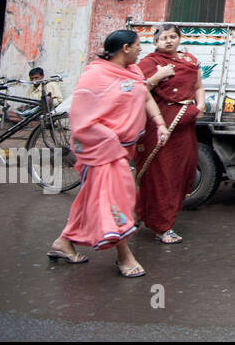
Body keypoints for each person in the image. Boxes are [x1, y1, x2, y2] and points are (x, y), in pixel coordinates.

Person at [47, 30, 169, 277]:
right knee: (117, 200)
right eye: (137, 46)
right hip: (102, 149)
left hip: (125, 148)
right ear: (125, 48)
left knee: (92, 198)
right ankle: (124, 256)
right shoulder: (96, 76)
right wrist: (109, 139)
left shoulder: (134, 72)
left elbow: (143, 95)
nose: (140, 50)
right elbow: (81, 116)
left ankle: (64, 242)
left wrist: (159, 122)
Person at [135, 24, 205, 244]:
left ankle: (145, 215)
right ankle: (161, 226)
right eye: (163, 37)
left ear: (179, 38)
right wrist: (158, 76)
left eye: (173, 36)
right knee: (160, 176)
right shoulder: (149, 63)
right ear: (156, 42)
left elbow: (198, 86)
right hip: (160, 127)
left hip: (185, 127)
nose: (168, 41)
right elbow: (137, 90)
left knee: (181, 173)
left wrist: (200, 107)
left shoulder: (189, 61)